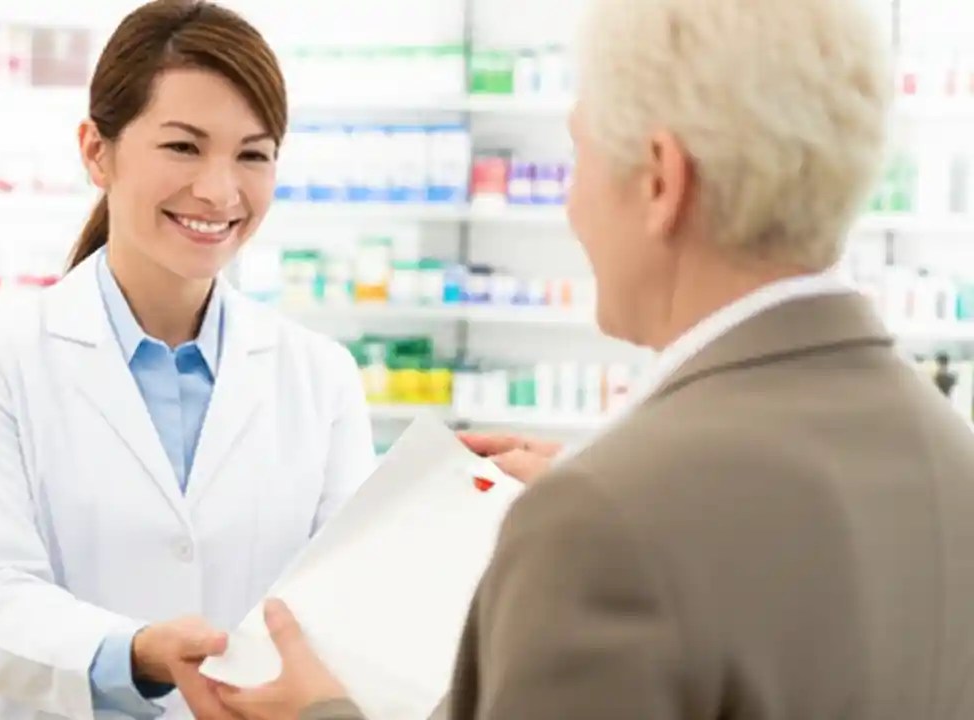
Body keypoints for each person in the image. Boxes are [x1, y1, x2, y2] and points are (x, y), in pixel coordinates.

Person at [213, 0, 974, 718]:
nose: (572, 209)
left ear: (659, 180)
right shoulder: (946, 453)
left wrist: (325, 713)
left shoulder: (607, 522)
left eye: (579, 157)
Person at [0, 2, 375, 719]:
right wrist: (134, 653)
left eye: (252, 155)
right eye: (184, 147)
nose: (220, 191)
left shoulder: (319, 376)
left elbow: (352, 595)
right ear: (96, 151)